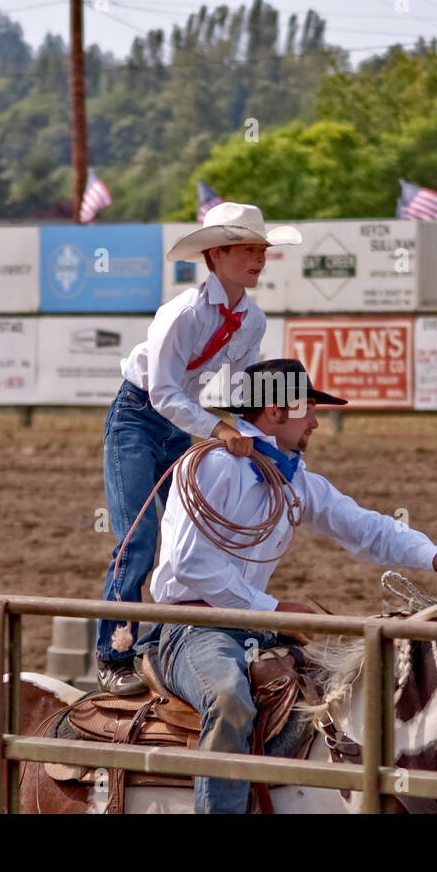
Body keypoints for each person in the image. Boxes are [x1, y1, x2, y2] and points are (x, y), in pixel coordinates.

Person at [150, 358, 437, 813]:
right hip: (193, 627)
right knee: (229, 701)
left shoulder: (295, 480)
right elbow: (191, 564)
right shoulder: (213, 467)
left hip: (249, 626)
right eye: (307, 408)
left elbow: (365, 526)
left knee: (347, 692)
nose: (315, 421)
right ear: (275, 411)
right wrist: (271, 610)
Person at [97, 203, 303, 695]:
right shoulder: (183, 313)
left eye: (262, 250)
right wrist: (220, 431)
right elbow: (162, 393)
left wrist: (267, 434)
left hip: (181, 422)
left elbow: (243, 392)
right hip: (137, 418)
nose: (259, 259)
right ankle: (113, 653)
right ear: (216, 255)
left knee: (192, 535)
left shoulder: (251, 319)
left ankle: (167, 637)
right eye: (247, 249)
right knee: (138, 538)